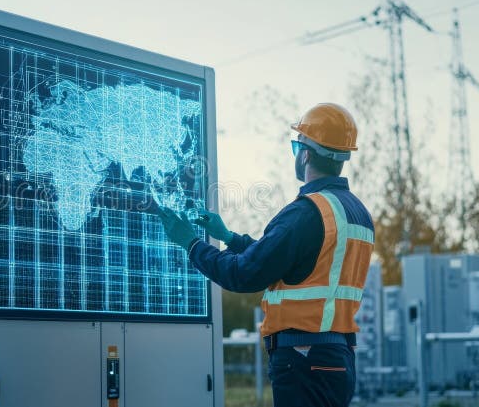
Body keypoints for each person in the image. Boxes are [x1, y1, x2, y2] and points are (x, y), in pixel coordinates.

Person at [157, 103, 374, 407]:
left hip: (303, 360)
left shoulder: (306, 212)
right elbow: (289, 262)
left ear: (306, 153)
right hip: (338, 359)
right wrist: (230, 238)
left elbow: (244, 274)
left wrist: (191, 244)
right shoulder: (356, 213)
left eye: (296, 145)